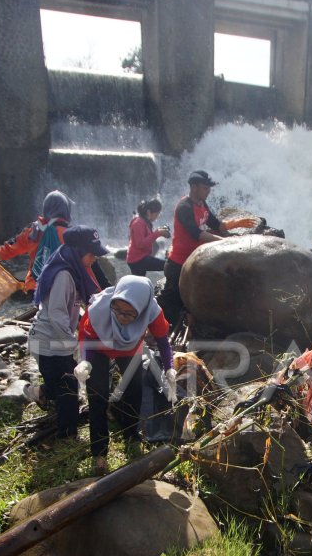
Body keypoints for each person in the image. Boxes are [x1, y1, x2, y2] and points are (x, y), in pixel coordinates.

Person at [78, 276, 174, 473]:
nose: (122, 317)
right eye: (118, 310)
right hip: (98, 349)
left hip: (131, 349)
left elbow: (163, 342)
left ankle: (131, 434)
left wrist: (169, 368)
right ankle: (99, 452)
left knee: (134, 389)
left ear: (142, 309)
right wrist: (85, 361)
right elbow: (86, 338)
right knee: (97, 396)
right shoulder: (99, 309)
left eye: (130, 314)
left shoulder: (152, 311)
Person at [27, 226, 108, 437]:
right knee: (68, 393)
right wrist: (73, 343)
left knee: (67, 386)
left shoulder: (71, 270)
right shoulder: (64, 274)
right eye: (92, 254)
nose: (94, 259)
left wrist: (87, 324)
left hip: (56, 342)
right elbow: (56, 313)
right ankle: (67, 439)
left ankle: (40, 392)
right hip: (48, 343)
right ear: (79, 252)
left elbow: (72, 308)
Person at [161, 170, 228, 328]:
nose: (208, 191)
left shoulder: (202, 204)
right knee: (172, 304)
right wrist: (223, 242)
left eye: (209, 188)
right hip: (178, 263)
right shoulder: (184, 207)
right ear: (194, 187)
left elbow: (214, 223)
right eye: (205, 187)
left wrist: (231, 233)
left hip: (194, 260)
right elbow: (196, 233)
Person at [0, 190, 73, 293]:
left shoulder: (35, 230)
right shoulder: (71, 233)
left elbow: (15, 245)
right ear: (66, 209)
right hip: (62, 288)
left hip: (35, 287)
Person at [126, 198, 170, 278]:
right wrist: (158, 233)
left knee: (140, 282)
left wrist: (160, 233)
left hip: (141, 258)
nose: (156, 218)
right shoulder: (138, 222)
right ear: (149, 212)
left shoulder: (145, 222)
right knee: (169, 266)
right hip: (137, 260)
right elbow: (140, 244)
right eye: (156, 215)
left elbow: (148, 239)